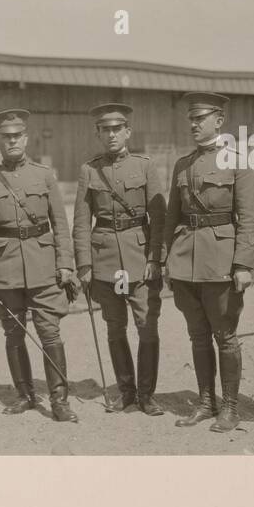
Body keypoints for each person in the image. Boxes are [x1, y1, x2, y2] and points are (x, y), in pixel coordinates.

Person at [0, 109, 80, 422]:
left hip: (44, 266)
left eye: (17, 136)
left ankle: (59, 400)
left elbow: (60, 223)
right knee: (14, 334)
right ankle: (25, 395)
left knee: (50, 333)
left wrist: (65, 264)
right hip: (5, 268)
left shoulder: (45, 175)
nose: (12, 141)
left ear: (26, 138)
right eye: (6, 137)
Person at [163, 92, 254, 432]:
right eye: (191, 118)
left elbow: (249, 218)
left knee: (226, 335)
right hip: (185, 261)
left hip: (221, 262)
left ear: (218, 121)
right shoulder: (182, 164)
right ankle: (206, 402)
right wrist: (165, 260)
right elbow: (171, 216)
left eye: (200, 118)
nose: (194, 124)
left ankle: (230, 407)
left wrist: (243, 264)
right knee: (198, 336)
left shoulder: (237, 161)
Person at [71, 103, 166, 414]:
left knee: (147, 326)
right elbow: (82, 221)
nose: (111, 135)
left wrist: (156, 257)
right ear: (98, 134)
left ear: (128, 132)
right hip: (106, 261)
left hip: (140, 259)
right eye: (105, 130)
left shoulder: (145, 166)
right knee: (115, 328)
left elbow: (159, 217)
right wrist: (84, 265)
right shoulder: (89, 170)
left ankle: (147, 395)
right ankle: (126, 391)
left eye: (117, 129)